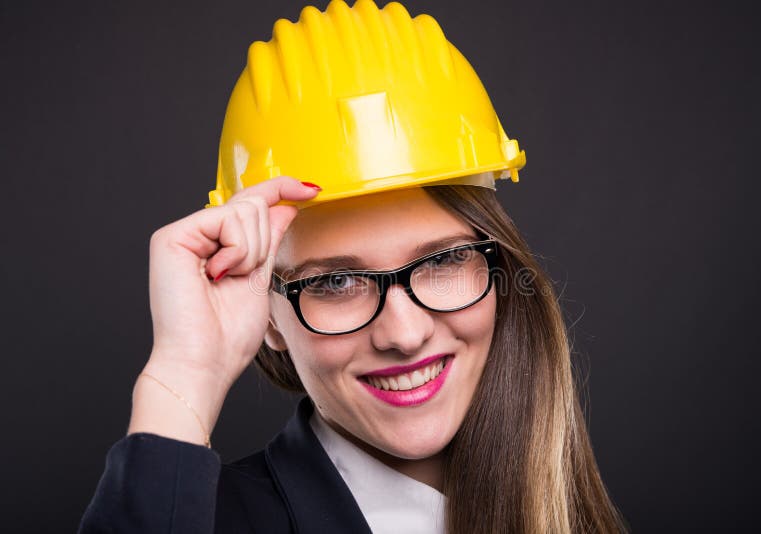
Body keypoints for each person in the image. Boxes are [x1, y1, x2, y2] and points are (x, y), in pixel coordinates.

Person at [79, 0, 628, 532]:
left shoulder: (564, 505)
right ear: (267, 314)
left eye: (442, 260)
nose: (404, 334)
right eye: (336, 282)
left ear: (496, 266)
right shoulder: (213, 520)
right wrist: (182, 376)